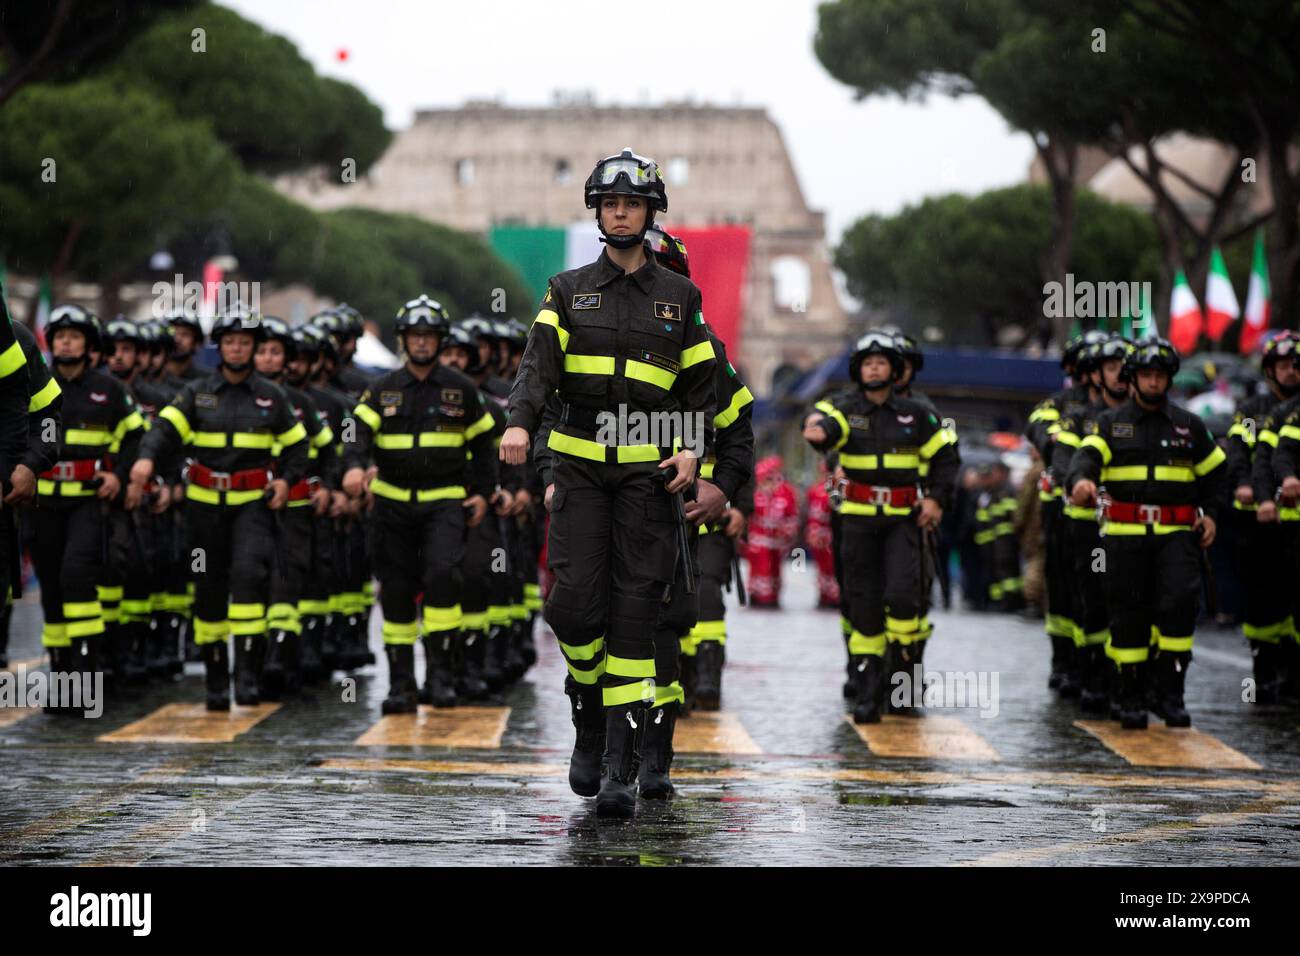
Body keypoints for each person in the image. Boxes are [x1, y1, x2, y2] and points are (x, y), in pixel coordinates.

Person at [500, 148, 716, 818]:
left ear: (651, 212)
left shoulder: (680, 298)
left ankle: (620, 760)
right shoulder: (565, 289)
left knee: (634, 615)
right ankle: (588, 710)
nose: (620, 211)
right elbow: (536, 370)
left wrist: (693, 455)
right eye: (609, 202)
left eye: (632, 202)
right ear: (598, 210)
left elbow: (703, 392)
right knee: (571, 608)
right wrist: (517, 424)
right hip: (580, 468)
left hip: (648, 478)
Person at [130, 311, 308, 710]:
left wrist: (283, 480)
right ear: (220, 347)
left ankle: (247, 678)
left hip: (252, 507)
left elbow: (299, 446)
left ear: (254, 347)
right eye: (230, 342)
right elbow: (163, 431)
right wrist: (145, 460)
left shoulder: (271, 397)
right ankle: (215, 681)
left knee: (249, 578)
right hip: (204, 508)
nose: (238, 349)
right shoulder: (196, 393)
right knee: (208, 588)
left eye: (245, 343)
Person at [342, 296, 497, 712]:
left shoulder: (460, 389)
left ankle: (441, 678)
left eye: (429, 336)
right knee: (395, 590)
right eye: (415, 336)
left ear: (440, 339)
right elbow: (353, 432)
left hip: (444, 503)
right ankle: (401, 685)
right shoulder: (383, 388)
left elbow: (485, 444)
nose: (423, 343)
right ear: (404, 340)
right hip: (391, 505)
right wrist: (354, 467)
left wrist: (482, 491)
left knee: (442, 576)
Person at [1067, 337, 1226, 728]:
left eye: (1160, 375)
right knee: (1128, 614)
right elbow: (1084, 460)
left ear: (1169, 379)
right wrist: (1082, 483)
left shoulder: (1190, 426)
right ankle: (1130, 694)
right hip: (1125, 537)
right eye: (1146, 375)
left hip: (1176, 536)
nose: (1154, 382)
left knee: (1178, 607)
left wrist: (1211, 516)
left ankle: (1170, 694)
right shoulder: (1110, 423)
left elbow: (1217, 476)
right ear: (1132, 379)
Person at [803, 331, 958, 722]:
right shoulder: (846, 408)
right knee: (864, 603)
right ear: (859, 370)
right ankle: (867, 694)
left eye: (882, 362)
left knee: (906, 598)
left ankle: (903, 688)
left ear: (895, 370)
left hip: (903, 523)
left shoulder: (918, 414)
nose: (875, 367)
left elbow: (946, 458)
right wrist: (817, 431)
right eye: (868, 362)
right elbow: (826, 425)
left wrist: (937, 499)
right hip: (856, 521)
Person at [33, 306, 143, 708]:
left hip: (87, 503)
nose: (65, 342)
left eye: (74, 336)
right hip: (42, 503)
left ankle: (85, 680)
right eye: (59, 335)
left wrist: (120, 474)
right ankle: (61, 684)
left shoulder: (110, 390)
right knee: (51, 587)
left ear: (89, 345)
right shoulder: (34, 384)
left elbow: (137, 437)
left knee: (77, 575)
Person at [253, 317, 336, 699]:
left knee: (288, 579)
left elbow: (329, 453)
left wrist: (329, 488)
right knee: (251, 579)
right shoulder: (232, 397)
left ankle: (280, 658)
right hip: (247, 507)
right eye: (262, 350)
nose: (267, 358)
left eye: (275, 352)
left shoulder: (301, 403)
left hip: (297, 508)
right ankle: (251, 662)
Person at [1026, 330, 1104, 691]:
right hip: (1059, 509)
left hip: (1104, 515)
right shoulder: (1057, 405)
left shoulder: (1114, 410)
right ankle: (1064, 659)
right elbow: (1038, 429)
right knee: (1061, 585)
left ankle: (1100, 665)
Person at [1228, 332, 1300, 702]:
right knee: (1260, 595)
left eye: (1295, 365)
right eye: (1284, 365)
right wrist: (1247, 487)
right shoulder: (1253, 411)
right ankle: (1263, 672)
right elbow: (1240, 453)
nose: (1291, 371)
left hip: (1292, 516)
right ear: (1270, 369)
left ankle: (1290, 669)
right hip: (1256, 516)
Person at [745, 456, 798, 609]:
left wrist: (787, 532)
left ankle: (772, 596)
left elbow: (792, 515)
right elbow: (748, 515)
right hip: (758, 539)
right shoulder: (755, 493)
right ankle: (758, 595)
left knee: (774, 568)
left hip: (777, 541)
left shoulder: (786, 492)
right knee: (759, 568)